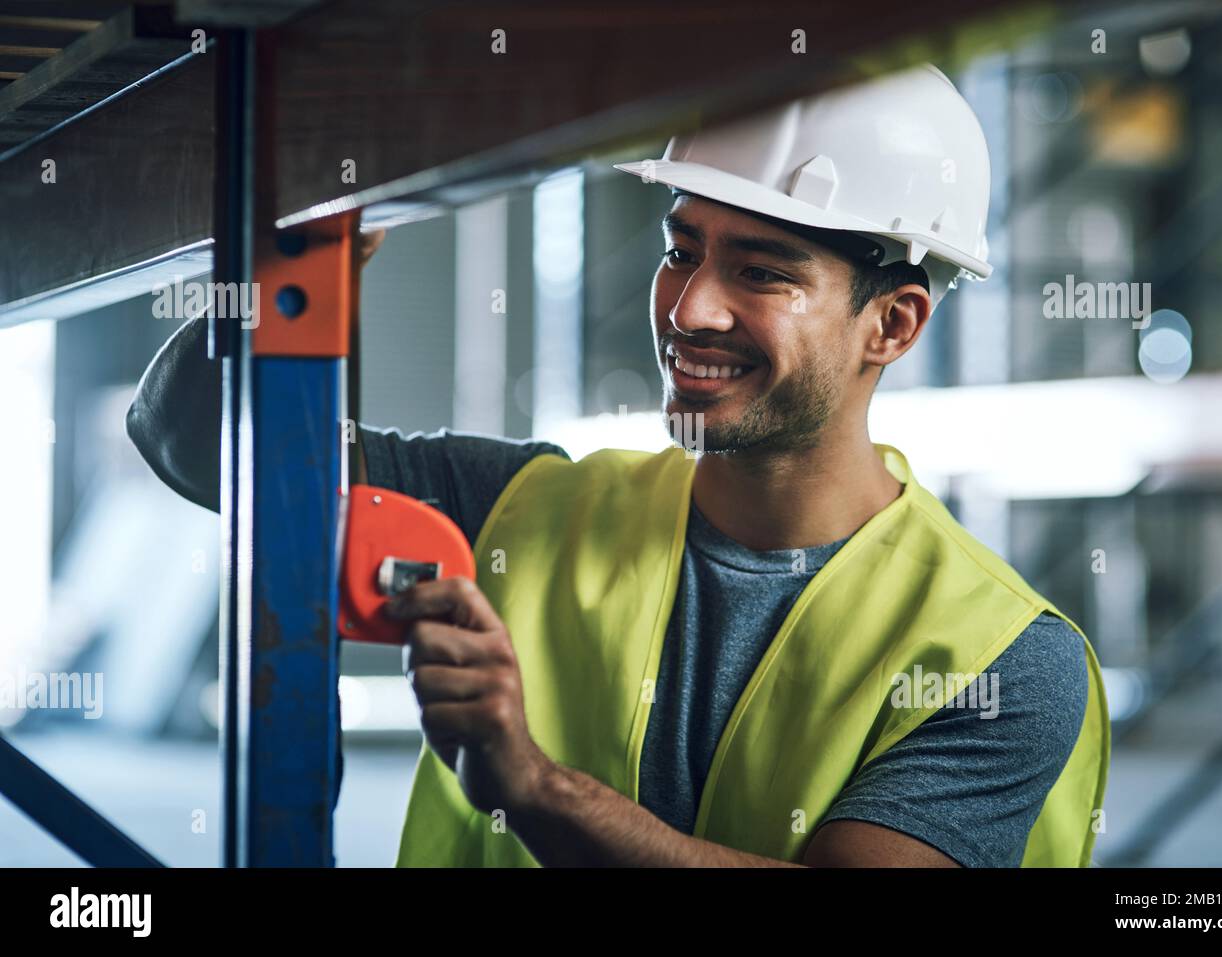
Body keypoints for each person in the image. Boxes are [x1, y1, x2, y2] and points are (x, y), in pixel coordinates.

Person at [128, 63, 1108, 868]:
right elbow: (195, 440)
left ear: (890, 324)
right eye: (682, 251)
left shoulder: (999, 659)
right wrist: (314, 265)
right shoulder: (518, 512)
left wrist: (534, 788)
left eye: (760, 271)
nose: (689, 310)